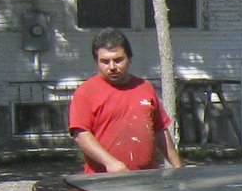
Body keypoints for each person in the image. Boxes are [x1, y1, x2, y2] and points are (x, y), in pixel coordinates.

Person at [69, 29, 182, 173]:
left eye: (118, 60)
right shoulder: (86, 92)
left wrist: (178, 168)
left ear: (129, 58)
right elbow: (81, 134)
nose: (112, 67)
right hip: (102, 181)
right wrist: (110, 163)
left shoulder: (145, 88)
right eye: (105, 61)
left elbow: (160, 131)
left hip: (147, 179)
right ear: (96, 63)